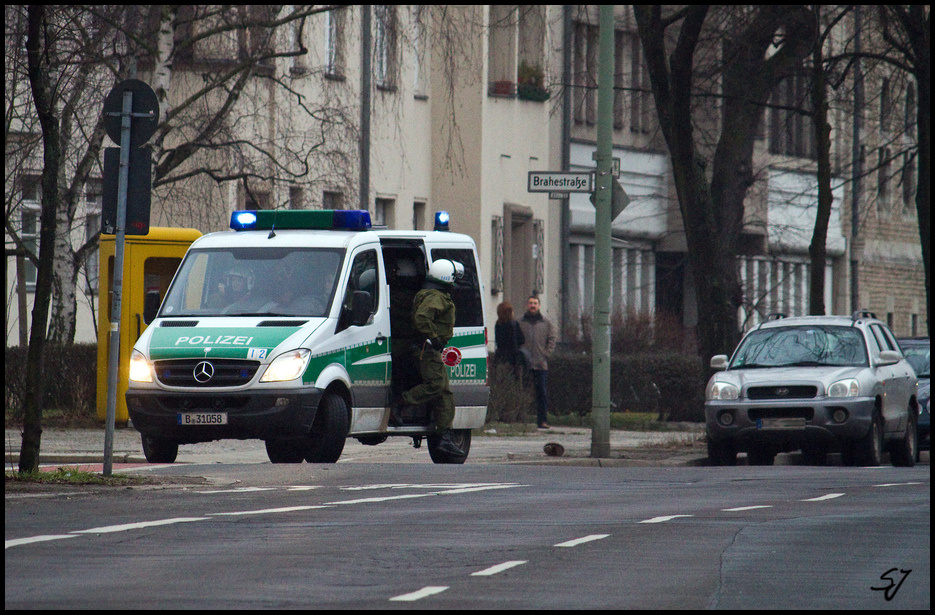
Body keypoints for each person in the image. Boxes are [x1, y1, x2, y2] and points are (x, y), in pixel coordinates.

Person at [392, 259, 464, 457]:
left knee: (444, 392)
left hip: (425, 348)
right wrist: (434, 338)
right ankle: (401, 402)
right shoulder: (436, 297)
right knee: (437, 385)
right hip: (428, 349)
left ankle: (444, 438)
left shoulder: (428, 294)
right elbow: (422, 318)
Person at [519, 294, 556, 429]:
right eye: (530, 303)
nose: (532, 305)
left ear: (539, 305)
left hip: (541, 364)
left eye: (535, 303)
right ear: (527, 305)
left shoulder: (546, 323)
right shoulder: (520, 322)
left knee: (541, 393)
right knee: (522, 392)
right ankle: (521, 419)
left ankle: (542, 421)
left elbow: (552, 340)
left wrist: (545, 355)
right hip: (524, 364)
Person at [494, 301, 525, 373]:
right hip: (514, 359)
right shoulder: (513, 324)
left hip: (501, 357)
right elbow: (522, 339)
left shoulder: (498, 325)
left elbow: (498, 341)